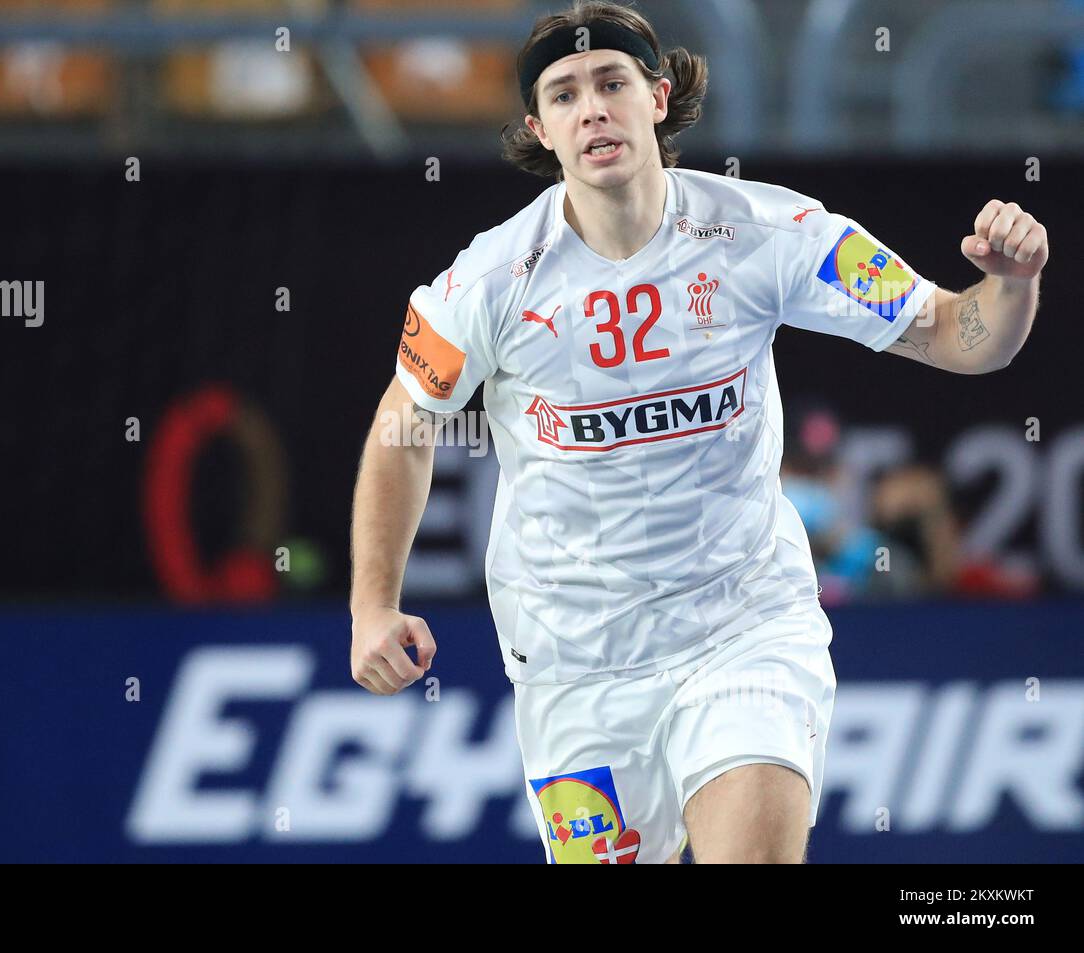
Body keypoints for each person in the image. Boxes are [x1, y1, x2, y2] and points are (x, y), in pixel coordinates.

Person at [348, 0, 1047, 864]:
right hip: (575, 665)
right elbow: (404, 419)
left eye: (612, 82)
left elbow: (952, 332)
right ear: (541, 127)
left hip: (742, 627)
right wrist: (371, 601)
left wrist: (1011, 287)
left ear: (657, 95)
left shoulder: (768, 233)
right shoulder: (489, 281)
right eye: (565, 95)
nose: (593, 108)